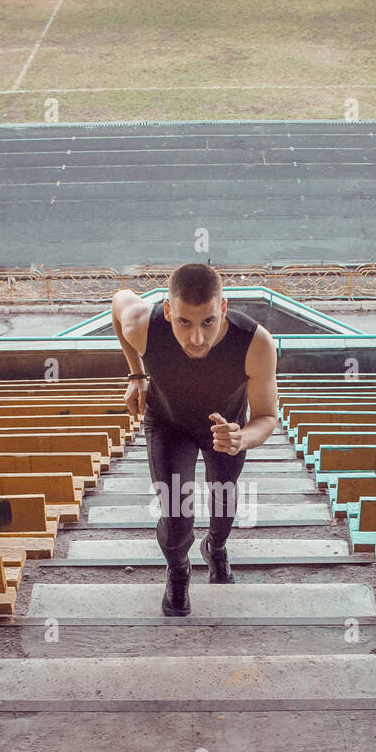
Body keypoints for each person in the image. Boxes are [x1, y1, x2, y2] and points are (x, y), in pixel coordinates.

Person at [111, 263, 278, 616]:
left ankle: (215, 548)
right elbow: (118, 301)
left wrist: (241, 437)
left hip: (226, 429)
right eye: (184, 322)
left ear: (223, 309)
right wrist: (136, 374)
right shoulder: (144, 325)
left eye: (208, 322)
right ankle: (178, 569)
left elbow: (267, 417)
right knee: (175, 515)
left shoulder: (255, 343)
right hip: (169, 424)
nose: (197, 338)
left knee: (223, 502)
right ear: (168, 311)